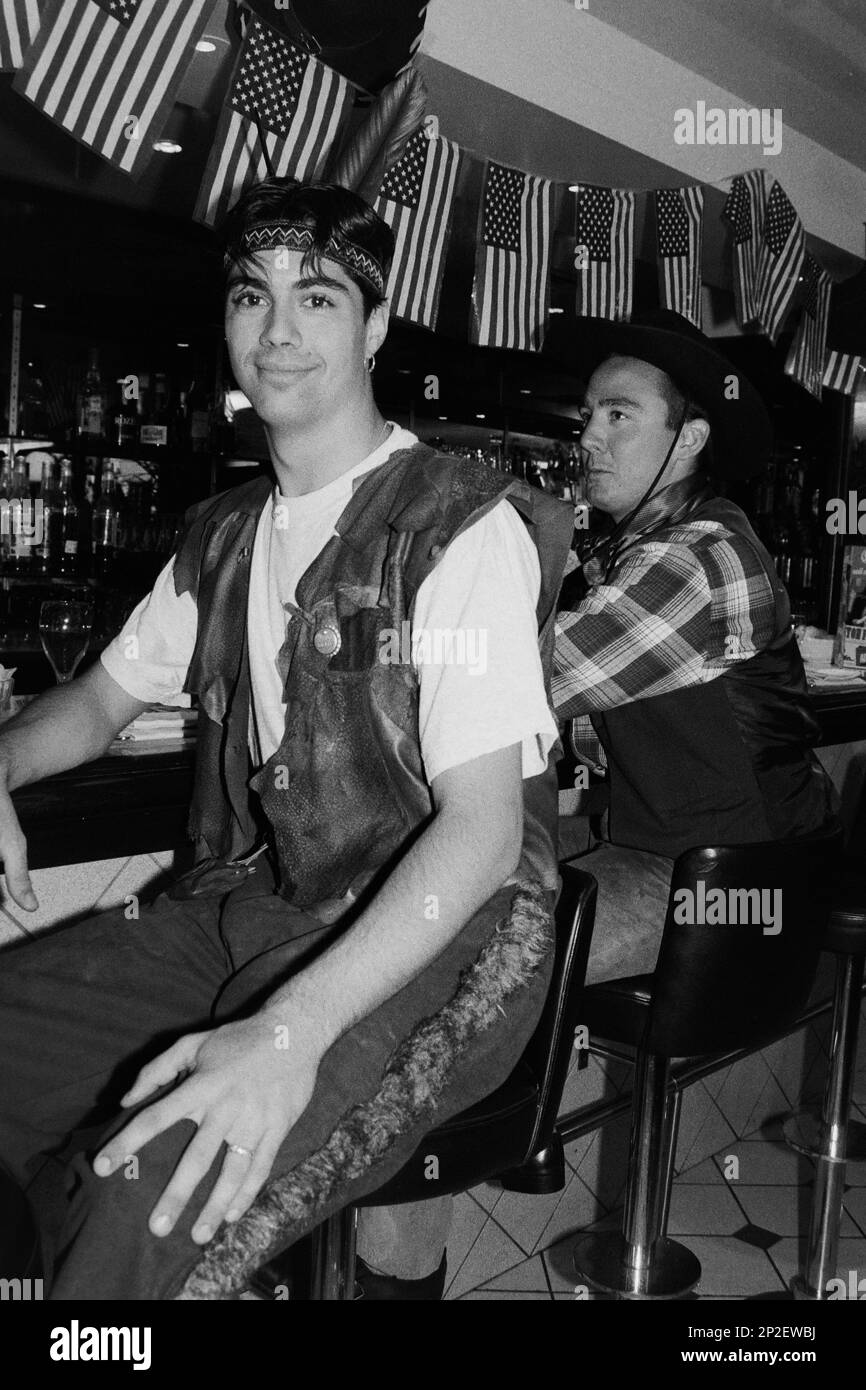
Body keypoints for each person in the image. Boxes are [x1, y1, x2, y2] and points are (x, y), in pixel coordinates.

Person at [0, 178, 573, 1300]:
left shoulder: (457, 524)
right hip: (248, 906)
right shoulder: (222, 536)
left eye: (316, 298)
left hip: (449, 943)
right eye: (249, 298)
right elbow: (96, 702)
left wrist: (287, 1031)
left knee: (150, 1191)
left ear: (373, 326)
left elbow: (482, 836)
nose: (276, 330)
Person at [548, 309, 837, 983]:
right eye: (589, 413)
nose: (588, 437)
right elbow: (595, 738)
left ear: (689, 439)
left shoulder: (694, 559)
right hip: (707, 851)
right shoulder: (644, 551)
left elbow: (526, 681)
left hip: (732, 879)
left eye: (619, 415)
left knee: (475, 955)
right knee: (480, 886)